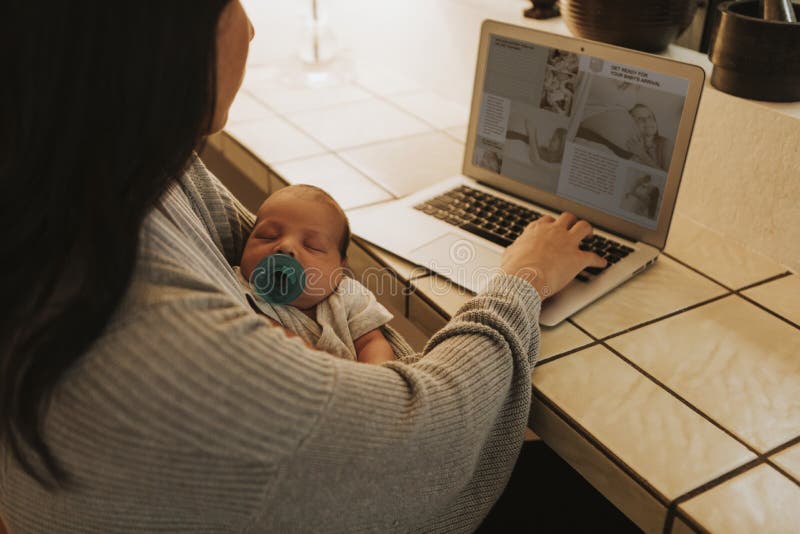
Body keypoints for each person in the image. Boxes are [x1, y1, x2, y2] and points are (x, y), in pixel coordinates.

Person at [0, 1, 607, 531]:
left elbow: (242, 241)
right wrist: (524, 276)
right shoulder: (172, 347)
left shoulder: (95, 172)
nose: (253, 29)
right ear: (162, 44)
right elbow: (434, 432)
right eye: (231, 4)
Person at [236, 184, 396, 364]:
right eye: (268, 236)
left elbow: (371, 342)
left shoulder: (349, 296)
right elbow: (264, 334)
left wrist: (376, 378)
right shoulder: (238, 291)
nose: (286, 246)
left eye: (312, 245)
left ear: (339, 270)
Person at [629, 103, 673, 171]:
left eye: (650, 117)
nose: (647, 121)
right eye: (640, 119)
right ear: (632, 125)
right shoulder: (631, 145)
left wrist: (642, 154)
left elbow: (665, 177)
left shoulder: (666, 144)